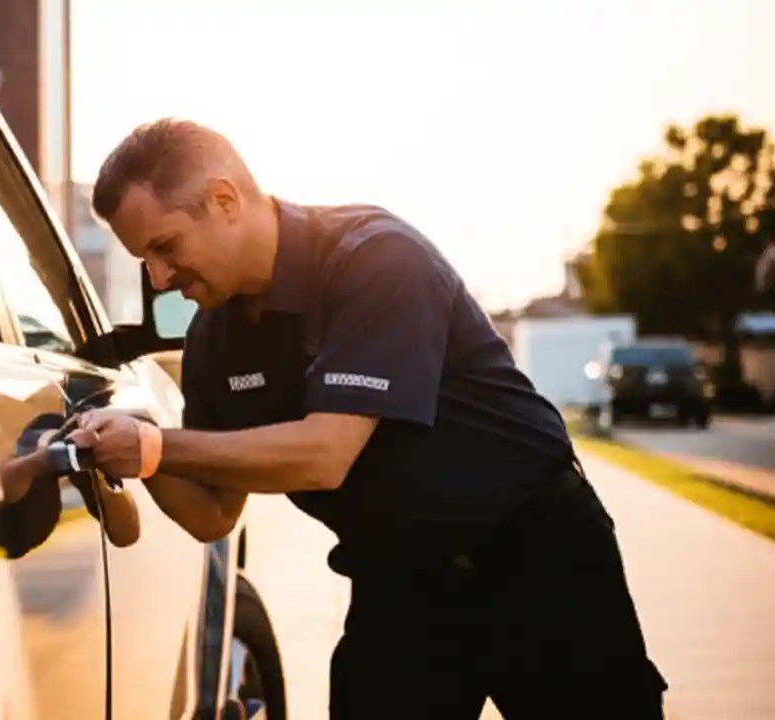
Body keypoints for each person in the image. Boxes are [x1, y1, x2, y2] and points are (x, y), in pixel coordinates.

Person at [70, 118, 667, 718]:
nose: (160, 279)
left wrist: (156, 447)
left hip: (539, 563)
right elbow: (213, 514)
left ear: (225, 201)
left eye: (165, 247)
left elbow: (326, 455)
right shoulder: (212, 339)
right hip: (399, 589)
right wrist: (119, 441)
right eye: (144, 258)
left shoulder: (376, 258)